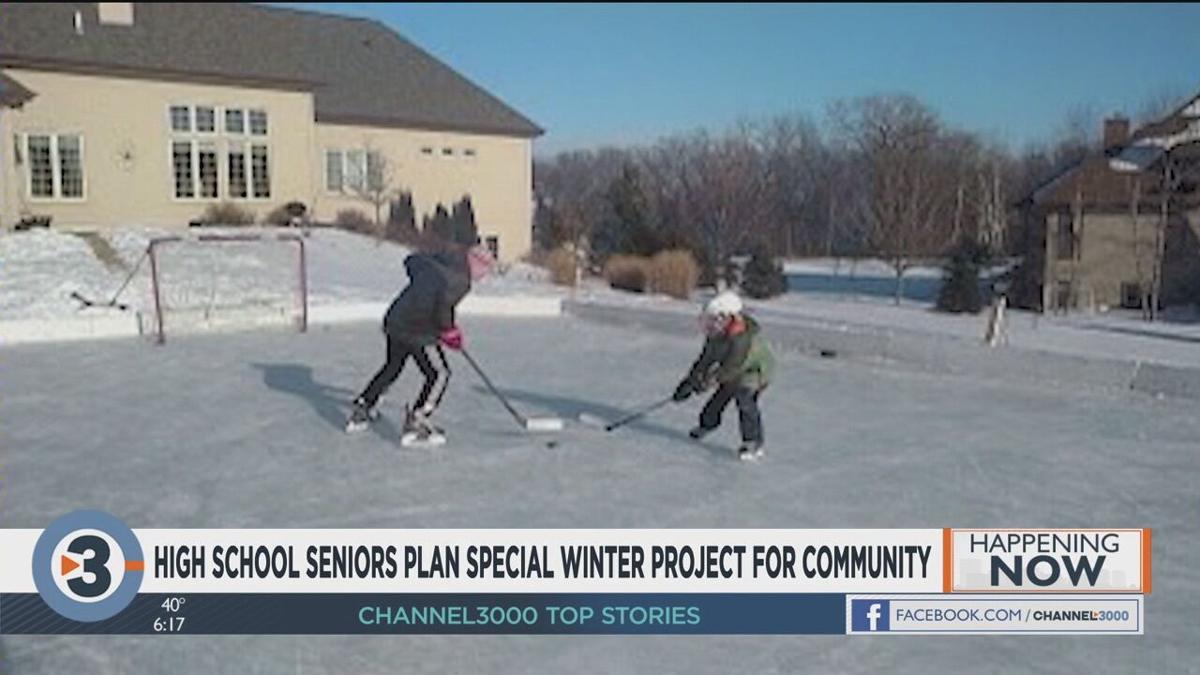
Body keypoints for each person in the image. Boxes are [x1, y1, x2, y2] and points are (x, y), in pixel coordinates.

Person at [345, 239, 473, 442]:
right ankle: (417, 419)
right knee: (439, 373)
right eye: (483, 267)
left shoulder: (429, 265)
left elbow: (412, 262)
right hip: (417, 329)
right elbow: (443, 308)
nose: (483, 273)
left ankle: (364, 405)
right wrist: (450, 332)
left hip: (395, 320)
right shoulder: (459, 280)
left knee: (393, 365)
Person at [672, 291, 775, 460]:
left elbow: (731, 368)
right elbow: (704, 361)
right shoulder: (716, 335)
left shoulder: (741, 340)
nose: (710, 324)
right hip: (733, 369)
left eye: (715, 319)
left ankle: (753, 442)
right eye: (709, 319)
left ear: (729, 318)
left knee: (744, 400)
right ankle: (707, 425)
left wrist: (707, 382)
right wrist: (689, 382)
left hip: (755, 371)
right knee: (718, 400)